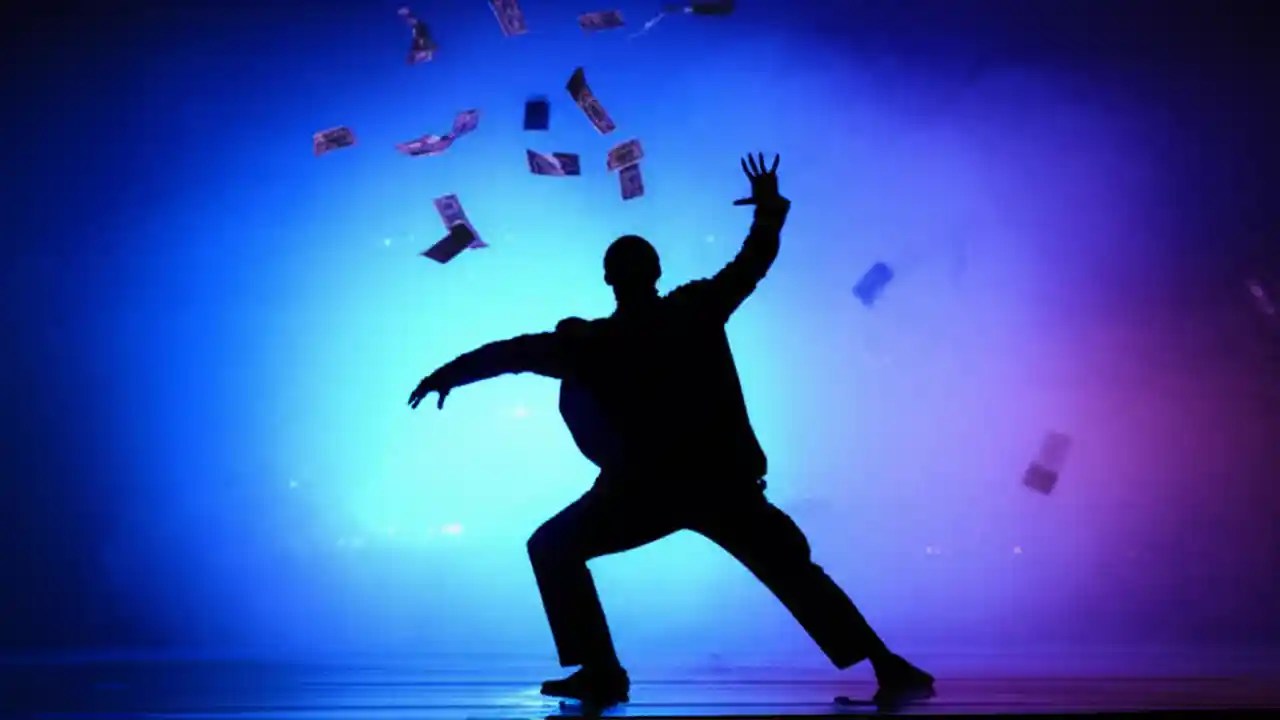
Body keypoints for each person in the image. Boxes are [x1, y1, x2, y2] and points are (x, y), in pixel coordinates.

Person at [408, 154, 935, 709]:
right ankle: (886, 664)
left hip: (651, 489)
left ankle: (602, 670)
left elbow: (510, 354)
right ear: (654, 272)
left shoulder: (593, 342)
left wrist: (449, 374)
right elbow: (753, 262)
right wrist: (770, 210)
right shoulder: (688, 312)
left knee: (554, 547)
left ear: (610, 278)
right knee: (794, 572)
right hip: (709, 482)